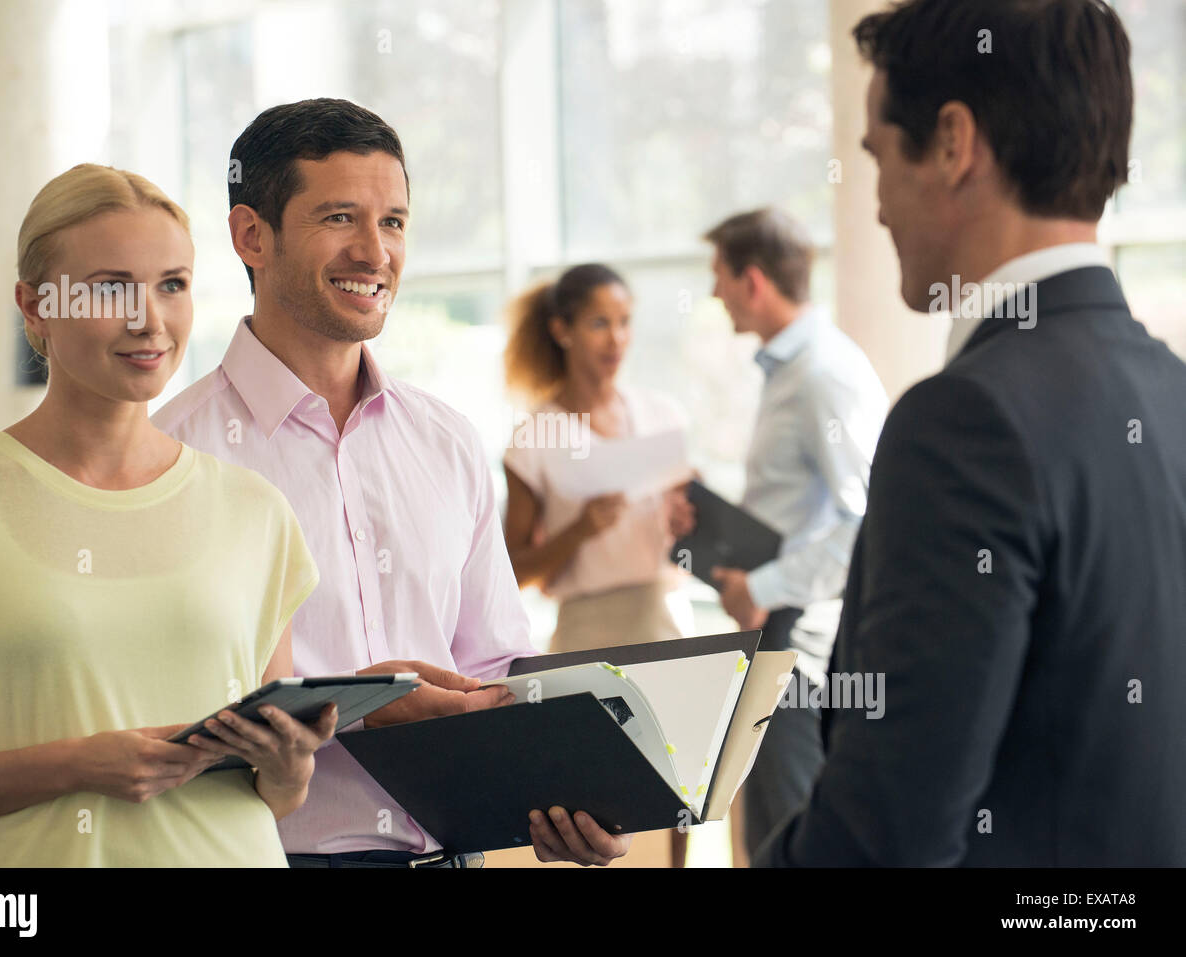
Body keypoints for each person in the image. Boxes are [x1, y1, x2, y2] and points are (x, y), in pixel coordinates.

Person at [757, 0, 1186, 866]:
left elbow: (887, 834)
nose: (875, 204)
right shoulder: (1169, 388)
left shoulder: (965, 423)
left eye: (877, 156)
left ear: (953, 143)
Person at [153, 99, 632, 867]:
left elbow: (495, 669)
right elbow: (154, 713)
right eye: (340, 217)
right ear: (253, 236)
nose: (375, 252)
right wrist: (360, 707)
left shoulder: (446, 441)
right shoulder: (168, 455)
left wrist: (567, 785)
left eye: (395, 222)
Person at [0, 164, 333, 867]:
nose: (149, 319)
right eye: (110, 287)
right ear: (35, 307)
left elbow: (273, 798)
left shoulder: (254, 510)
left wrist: (288, 766)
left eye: (172, 284)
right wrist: (76, 765)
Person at [689, 207, 887, 863]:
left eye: (719, 276)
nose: (714, 293)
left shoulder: (823, 373)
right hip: (776, 624)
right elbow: (796, 512)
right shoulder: (791, 371)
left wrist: (764, 587)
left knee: (788, 827)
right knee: (766, 825)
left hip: (799, 642)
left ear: (753, 280)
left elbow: (870, 520)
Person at [501, 263, 693, 867]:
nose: (617, 340)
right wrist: (580, 529)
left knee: (680, 788)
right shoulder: (534, 438)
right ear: (561, 329)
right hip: (586, 634)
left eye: (626, 323)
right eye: (599, 324)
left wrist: (689, 524)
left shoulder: (661, 415)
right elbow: (511, 573)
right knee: (592, 808)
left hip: (664, 619)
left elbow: (696, 538)